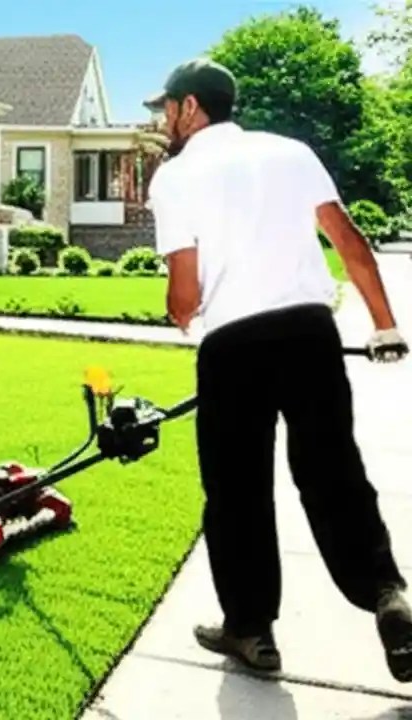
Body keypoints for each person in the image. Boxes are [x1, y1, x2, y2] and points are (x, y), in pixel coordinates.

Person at [142, 57, 412, 680]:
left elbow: (184, 292)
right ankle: (386, 596)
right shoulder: (291, 152)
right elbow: (348, 242)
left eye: (167, 107)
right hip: (310, 333)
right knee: (334, 472)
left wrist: (181, 315)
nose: (163, 119)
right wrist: (385, 325)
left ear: (190, 108)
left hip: (235, 347)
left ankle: (252, 630)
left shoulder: (175, 178)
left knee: (236, 490)